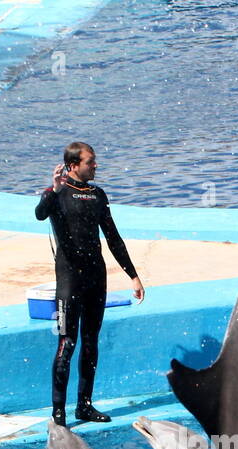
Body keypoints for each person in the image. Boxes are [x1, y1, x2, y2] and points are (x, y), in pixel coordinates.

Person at [35, 141, 145, 425]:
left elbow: (113, 237)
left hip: (96, 278)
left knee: (90, 342)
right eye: (90, 162)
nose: (95, 166)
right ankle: (58, 412)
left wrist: (132, 275)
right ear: (73, 165)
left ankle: (84, 405)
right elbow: (39, 213)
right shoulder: (58, 193)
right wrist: (54, 189)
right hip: (70, 280)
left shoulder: (97, 194)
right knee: (67, 342)